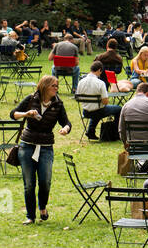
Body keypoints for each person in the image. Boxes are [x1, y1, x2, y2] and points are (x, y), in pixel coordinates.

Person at [11, 74, 71, 225]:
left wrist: (65, 129)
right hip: (27, 145)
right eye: (54, 86)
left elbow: (66, 122)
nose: (56, 89)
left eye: (57, 86)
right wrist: (27, 113)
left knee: (45, 181)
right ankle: (30, 216)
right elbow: (13, 114)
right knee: (29, 183)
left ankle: (42, 207)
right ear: (45, 86)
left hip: (45, 147)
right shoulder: (31, 99)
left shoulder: (58, 103)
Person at [75, 60, 120, 139]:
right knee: (119, 109)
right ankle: (116, 132)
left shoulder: (80, 82)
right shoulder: (100, 83)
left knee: (96, 107)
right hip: (98, 111)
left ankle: (90, 131)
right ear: (99, 70)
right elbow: (105, 102)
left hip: (85, 111)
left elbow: (77, 97)